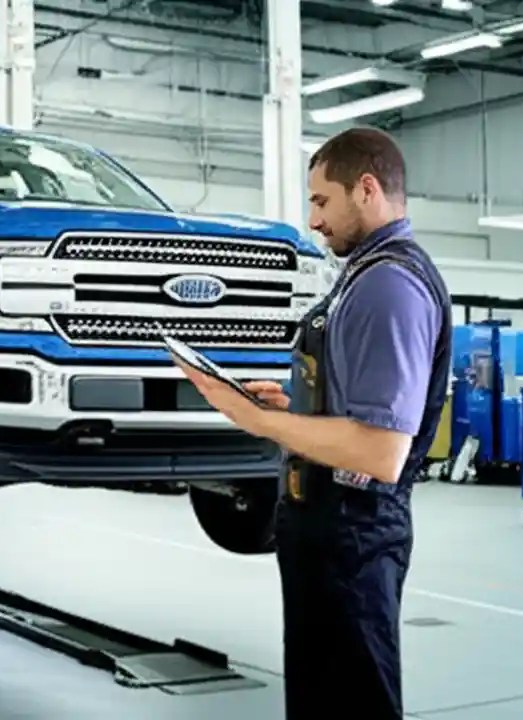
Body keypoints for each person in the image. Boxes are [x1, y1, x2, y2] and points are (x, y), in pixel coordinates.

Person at [173, 127, 451, 719]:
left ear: (367, 189)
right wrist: (291, 412)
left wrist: (257, 421)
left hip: (353, 532)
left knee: (353, 704)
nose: (314, 219)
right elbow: (353, 409)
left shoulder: (390, 286)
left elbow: (380, 451)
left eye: (322, 200)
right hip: (328, 531)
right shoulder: (363, 274)